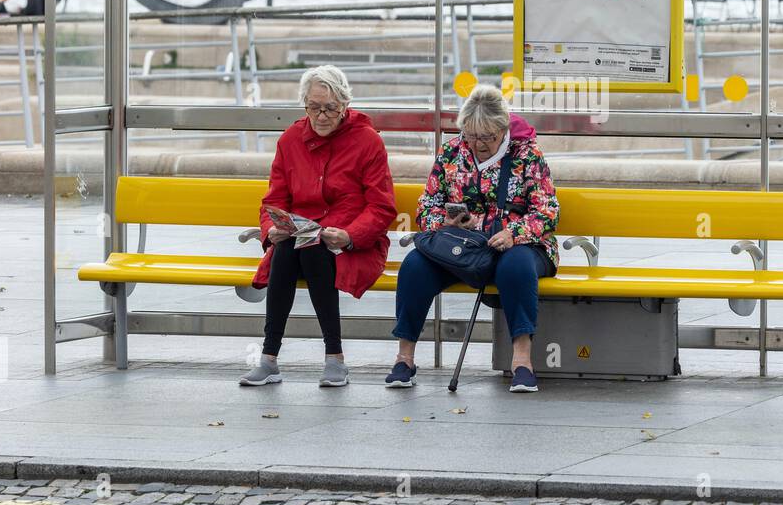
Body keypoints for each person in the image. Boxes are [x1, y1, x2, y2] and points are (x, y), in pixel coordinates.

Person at [387, 84, 560, 393]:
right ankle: (405, 358)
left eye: (487, 137)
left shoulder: (528, 155)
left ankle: (521, 360)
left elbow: (547, 211)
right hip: (464, 247)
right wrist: (447, 221)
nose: (478, 145)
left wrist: (513, 233)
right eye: (472, 136)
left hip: (519, 245)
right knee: (414, 265)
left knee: (515, 267)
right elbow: (427, 205)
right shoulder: (452, 152)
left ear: (503, 129)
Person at [239, 65, 397, 388]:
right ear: (305, 106)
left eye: (330, 108)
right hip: (298, 241)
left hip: (351, 243)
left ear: (344, 105)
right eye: (314, 108)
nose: (321, 116)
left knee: (313, 250)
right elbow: (274, 200)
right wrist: (272, 228)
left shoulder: (368, 141)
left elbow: (382, 207)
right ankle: (269, 358)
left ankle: (335, 357)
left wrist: (350, 235)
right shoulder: (291, 140)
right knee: (286, 248)